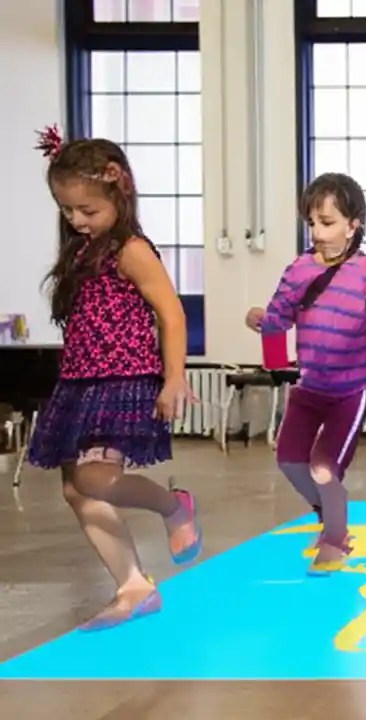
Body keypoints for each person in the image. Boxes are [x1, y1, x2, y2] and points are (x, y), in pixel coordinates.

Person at [25, 128, 201, 631]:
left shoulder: (131, 249)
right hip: (80, 381)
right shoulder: (84, 252)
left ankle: (175, 506)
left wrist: (173, 378)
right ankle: (133, 585)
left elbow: (171, 313)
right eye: (68, 211)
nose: (77, 221)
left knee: (95, 477)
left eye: (87, 211)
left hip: (123, 380)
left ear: (119, 193)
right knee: (76, 491)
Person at [245, 173, 366, 575]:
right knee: (289, 459)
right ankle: (329, 510)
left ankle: (335, 537)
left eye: (328, 222)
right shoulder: (298, 269)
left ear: (354, 225)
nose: (318, 231)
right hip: (311, 386)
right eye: (312, 222)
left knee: (324, 465)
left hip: (353, 390)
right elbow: (278, 317)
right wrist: (260, 320)